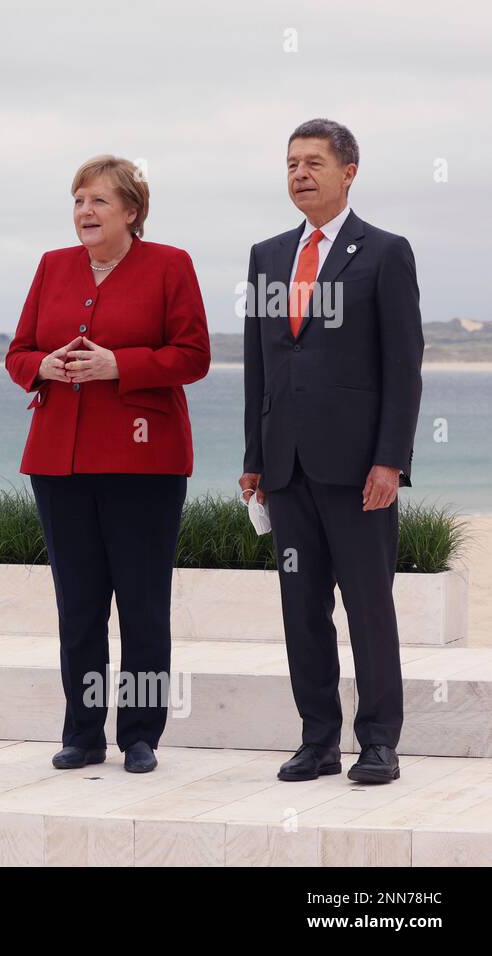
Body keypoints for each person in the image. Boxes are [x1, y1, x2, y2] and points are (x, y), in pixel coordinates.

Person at [6, 155, 210, 773]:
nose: (84, 213)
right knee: (80, 604)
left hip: (144, 463)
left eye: (98, 202)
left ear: (131, 212)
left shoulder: (170, 265)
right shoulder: (52, 266)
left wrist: (120, 365)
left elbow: (194, 355)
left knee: (143, 603)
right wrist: (44, 366)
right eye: (78, 201)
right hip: (59, 462)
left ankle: (141, 734)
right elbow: (19, 353)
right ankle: (82, 732)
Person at [240, 119, 423, 785]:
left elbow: (404, 366)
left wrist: (390, 459)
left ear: (349, 171)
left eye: (313, 162)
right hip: (286, 468)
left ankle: (378, 742)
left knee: (368, 605)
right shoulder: (266, 256)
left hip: (357, 471)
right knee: (301, 607)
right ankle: (318, 740)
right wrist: (254, 456)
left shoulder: (385, 252)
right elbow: (261, 365)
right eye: (291, 163)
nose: (299, 174)